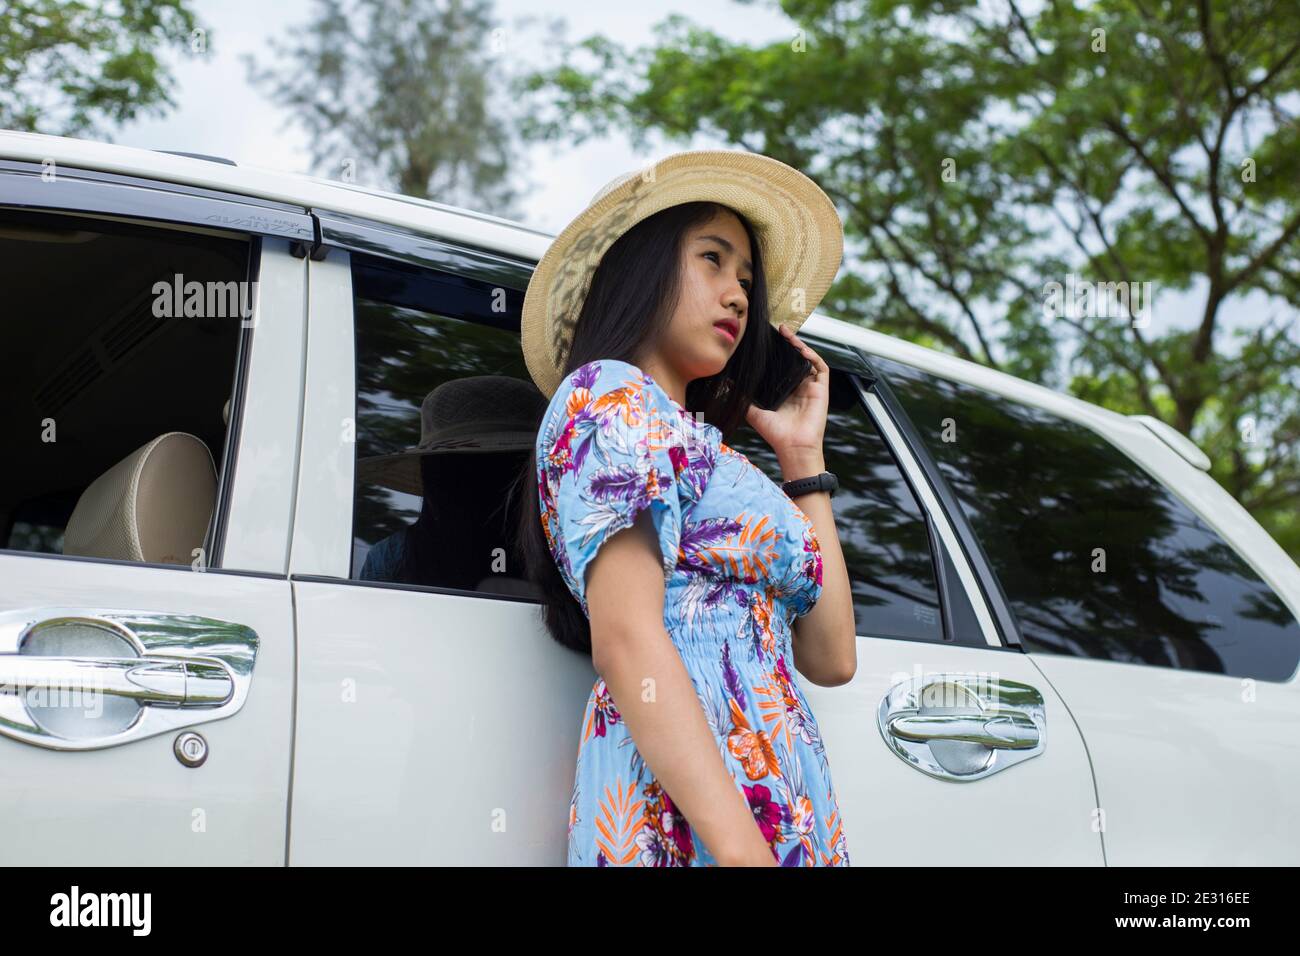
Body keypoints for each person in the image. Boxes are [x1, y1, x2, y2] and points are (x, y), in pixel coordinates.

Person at [513, 149, 856, 867]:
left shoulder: (716, 457)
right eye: (712, 259)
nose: (736, 294)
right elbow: (628, 639)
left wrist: (802, 458)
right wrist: (740, 851)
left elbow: (831, 658)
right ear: (641, 270)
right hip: (691, 815)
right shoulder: (607, 397)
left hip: (776, 802)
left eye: (746, 281)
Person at [357, 375, 548, 592]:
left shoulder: (394, 556)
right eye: (468, 472)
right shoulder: (567, 550)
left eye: (492, 470)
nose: (481, 485)